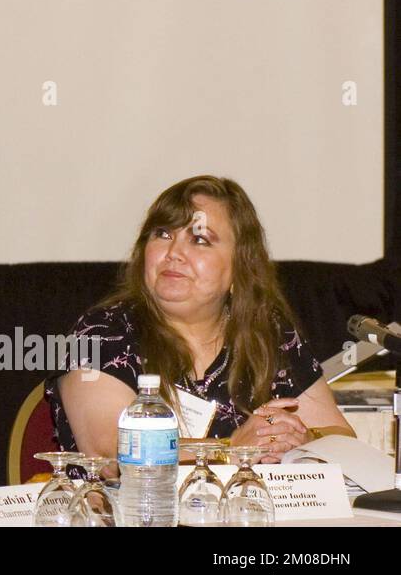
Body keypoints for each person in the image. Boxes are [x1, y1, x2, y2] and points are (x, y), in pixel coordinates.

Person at [47, 175, 353, 462]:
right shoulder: (102, 333)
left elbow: (340, 436)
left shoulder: (267, 331)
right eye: (163, 234)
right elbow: (113, 453)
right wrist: (231, 450)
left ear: (240, 265)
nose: (174, 252)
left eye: (200, 239)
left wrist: (299, 438)